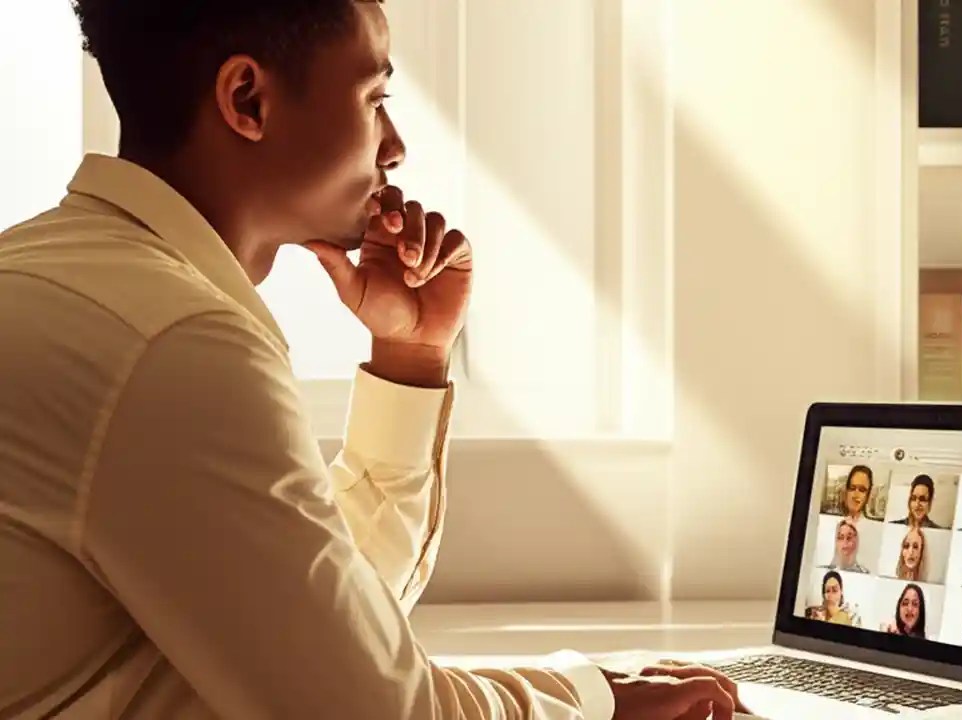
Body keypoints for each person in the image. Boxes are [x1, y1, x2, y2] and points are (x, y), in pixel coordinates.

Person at [0, 3, 747, 719]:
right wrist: (591, 696)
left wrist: (410, 358)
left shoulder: (66, 279)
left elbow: (313, 630)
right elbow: (373, 711)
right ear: (248, 99)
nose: (393, 146)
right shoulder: (172, 344)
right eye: (374, 98)